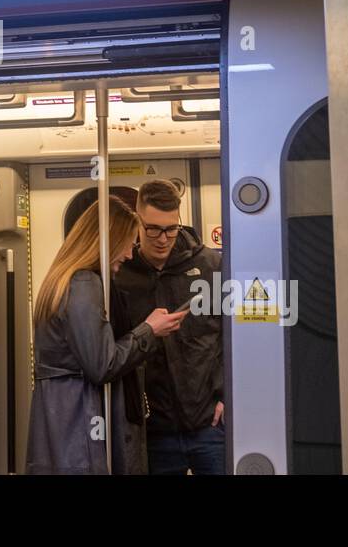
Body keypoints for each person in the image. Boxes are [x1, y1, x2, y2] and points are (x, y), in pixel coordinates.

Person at [26, 196, 184, 474]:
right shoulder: (84, 283)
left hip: (60, 414)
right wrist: (150, 330)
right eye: (126, 243)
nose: (129, 254)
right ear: (108, 241)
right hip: (79, 416)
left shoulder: (63, 280)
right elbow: (102, 364)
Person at [115, 179, 225, 475]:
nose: (163, 239)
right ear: (138, 221)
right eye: (153, 229)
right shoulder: (121, 275)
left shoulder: (210, 266)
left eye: (170, 229)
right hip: (154, 431)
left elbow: (234, 336)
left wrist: (228, 395)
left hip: (210, 425)